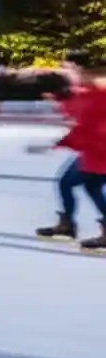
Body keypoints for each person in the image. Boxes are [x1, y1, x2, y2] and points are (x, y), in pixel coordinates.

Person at [34, 65, 106, 252]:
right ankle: (68, 225)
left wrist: (64, 142)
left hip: (99, 151)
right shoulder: (86, 94)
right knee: (90, 185)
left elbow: (89, 128)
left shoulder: (95, 96)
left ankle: (68, 226)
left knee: (72, 183)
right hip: (94, 150)